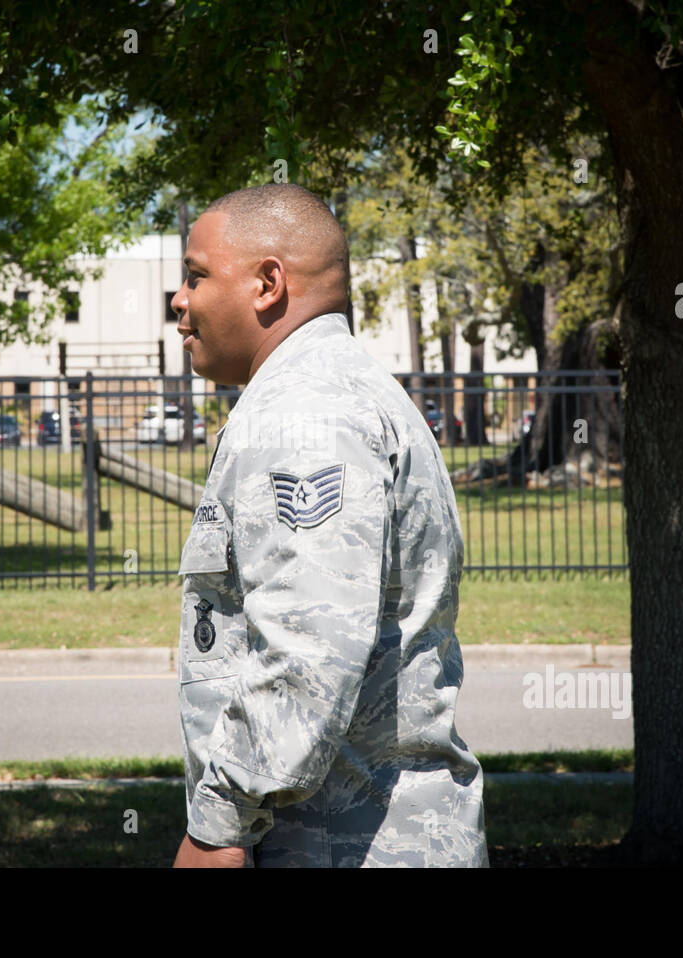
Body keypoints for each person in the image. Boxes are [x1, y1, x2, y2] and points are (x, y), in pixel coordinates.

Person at [170, 183, 488, 868]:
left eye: (195, 275)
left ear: (267, 283)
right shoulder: (337, 390)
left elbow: (306, 655)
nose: (179, 299)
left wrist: (215, 828)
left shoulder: (306, 415)